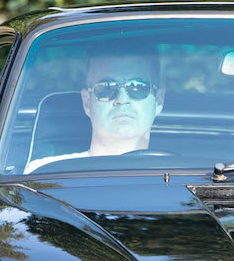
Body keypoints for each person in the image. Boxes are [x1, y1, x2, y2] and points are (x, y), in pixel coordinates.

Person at [27, 45, 165, 170]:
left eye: (137, 87)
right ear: (87, 102)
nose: (122, 100)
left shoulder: (183, 179)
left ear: (159, 100)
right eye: (106, 87)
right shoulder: (44, 172)